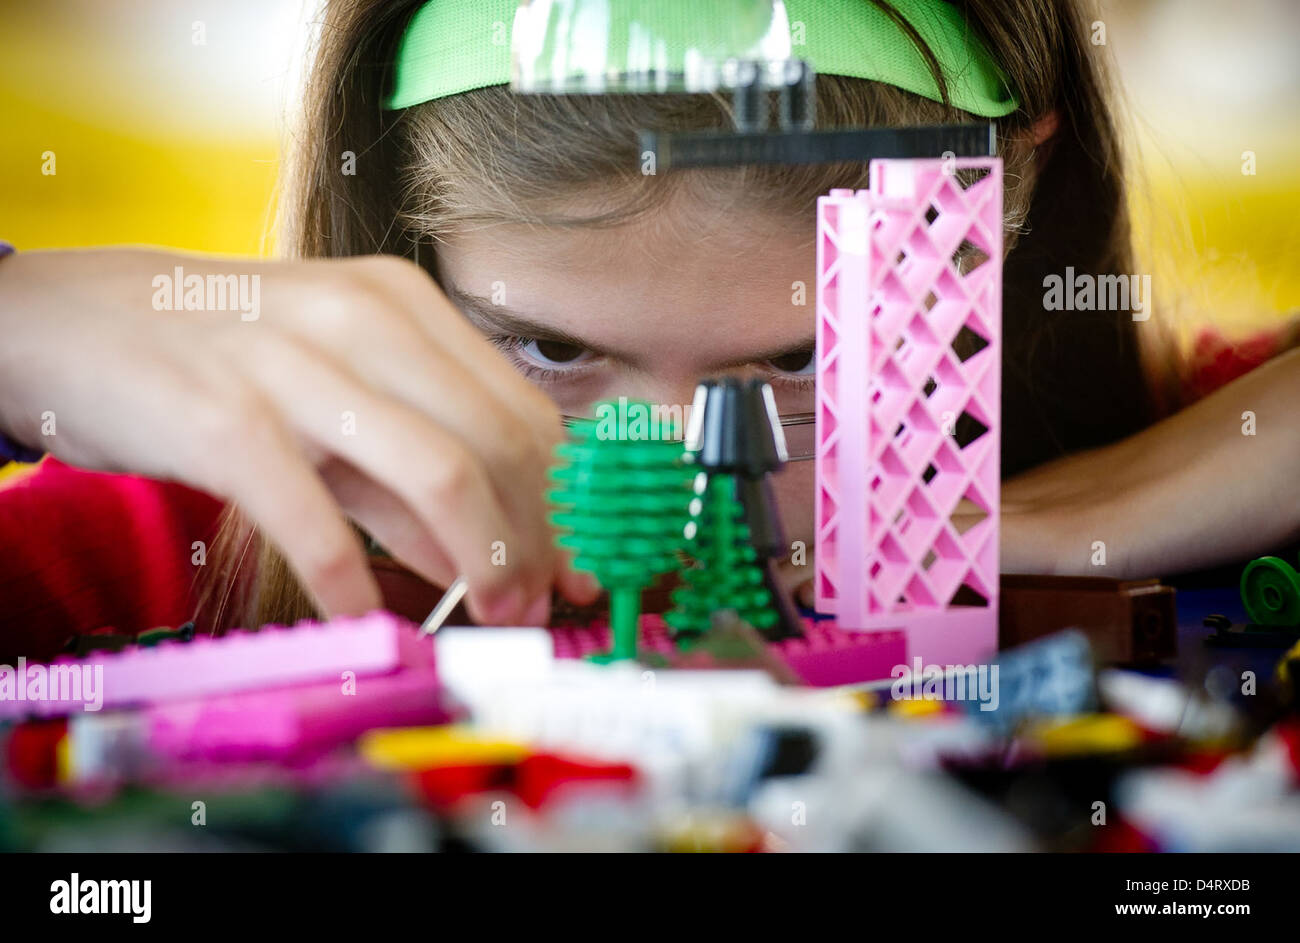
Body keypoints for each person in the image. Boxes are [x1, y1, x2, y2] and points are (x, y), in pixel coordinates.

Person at [1, 0, 1296, 662]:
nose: (691, 496)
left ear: (1006, 213)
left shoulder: (1204, 447)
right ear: (396, 247)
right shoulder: (162, 555)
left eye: (801, 360)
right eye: (549, 350)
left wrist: (1108, 503)